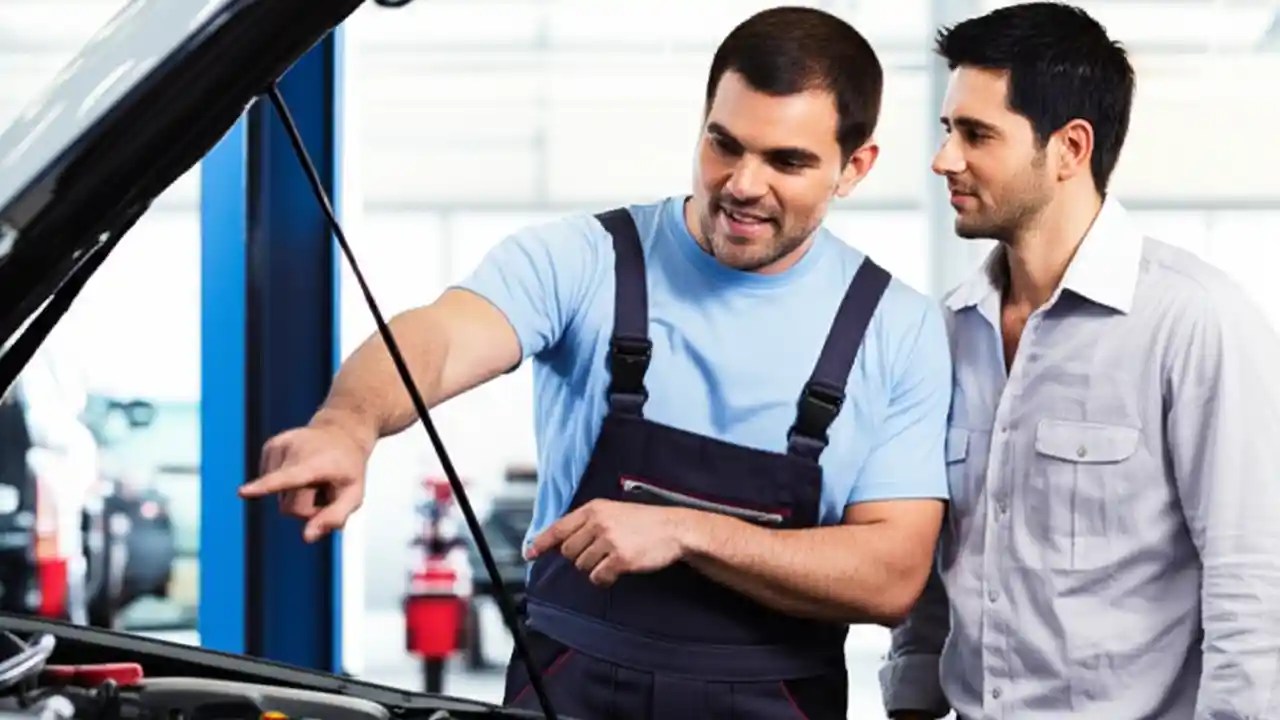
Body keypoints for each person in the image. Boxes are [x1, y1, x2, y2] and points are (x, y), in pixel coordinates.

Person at [240, 6, 953, 719]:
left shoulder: (896, 329)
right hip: (568, 687)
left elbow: (889, 578)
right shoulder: (589, 261)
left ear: (854, 168)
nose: (741, 183)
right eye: (723, 144)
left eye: (786, 161)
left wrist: (683, 530)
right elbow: (442, 336)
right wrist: (348, 423)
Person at [879, 3, 1280, 719]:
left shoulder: (1193, 322)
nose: (945, 159)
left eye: (976, 135)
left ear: (1069, 148)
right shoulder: (946, 330)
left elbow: (1252, 585)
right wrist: (911, 698)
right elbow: (940, 560)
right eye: (947, 131)